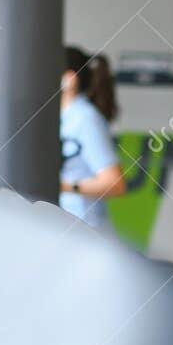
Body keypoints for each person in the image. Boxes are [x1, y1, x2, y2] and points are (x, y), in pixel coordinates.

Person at [59, 47, 126, 228]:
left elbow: (114, 183)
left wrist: (65, 186)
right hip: (61, 225)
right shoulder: (63, 116)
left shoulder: (86, 118)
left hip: (84, 227)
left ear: (69, 79)